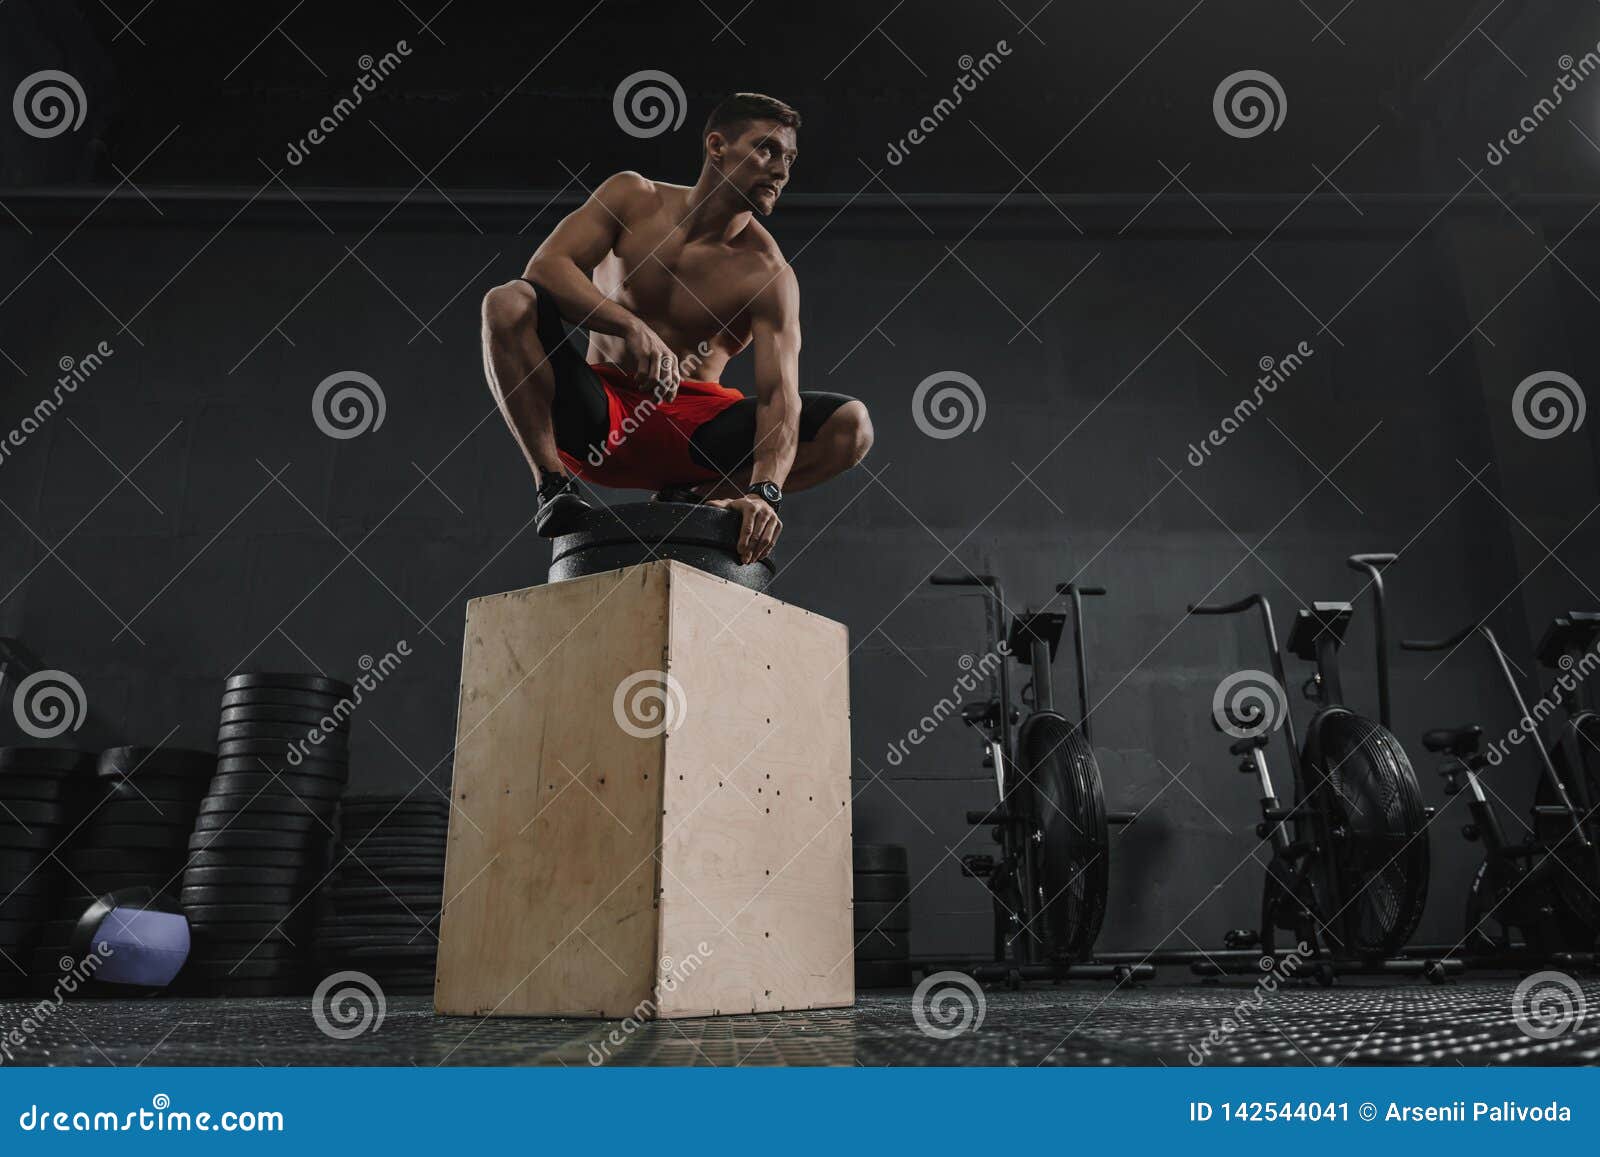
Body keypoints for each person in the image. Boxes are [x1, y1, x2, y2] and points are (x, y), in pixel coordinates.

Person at [480, 93, 873, 565]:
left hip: (697, 433)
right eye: (766, 149)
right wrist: (631, 328)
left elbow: (778, 396)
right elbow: (546, 269)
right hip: (599, 417)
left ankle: (694, 497)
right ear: (716, 146)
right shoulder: (632, 196)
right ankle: (554, 486)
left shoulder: (769, 274)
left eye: (789, 158)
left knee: (852, 427)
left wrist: (765, 492)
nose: (781, 170)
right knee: (506, 301)